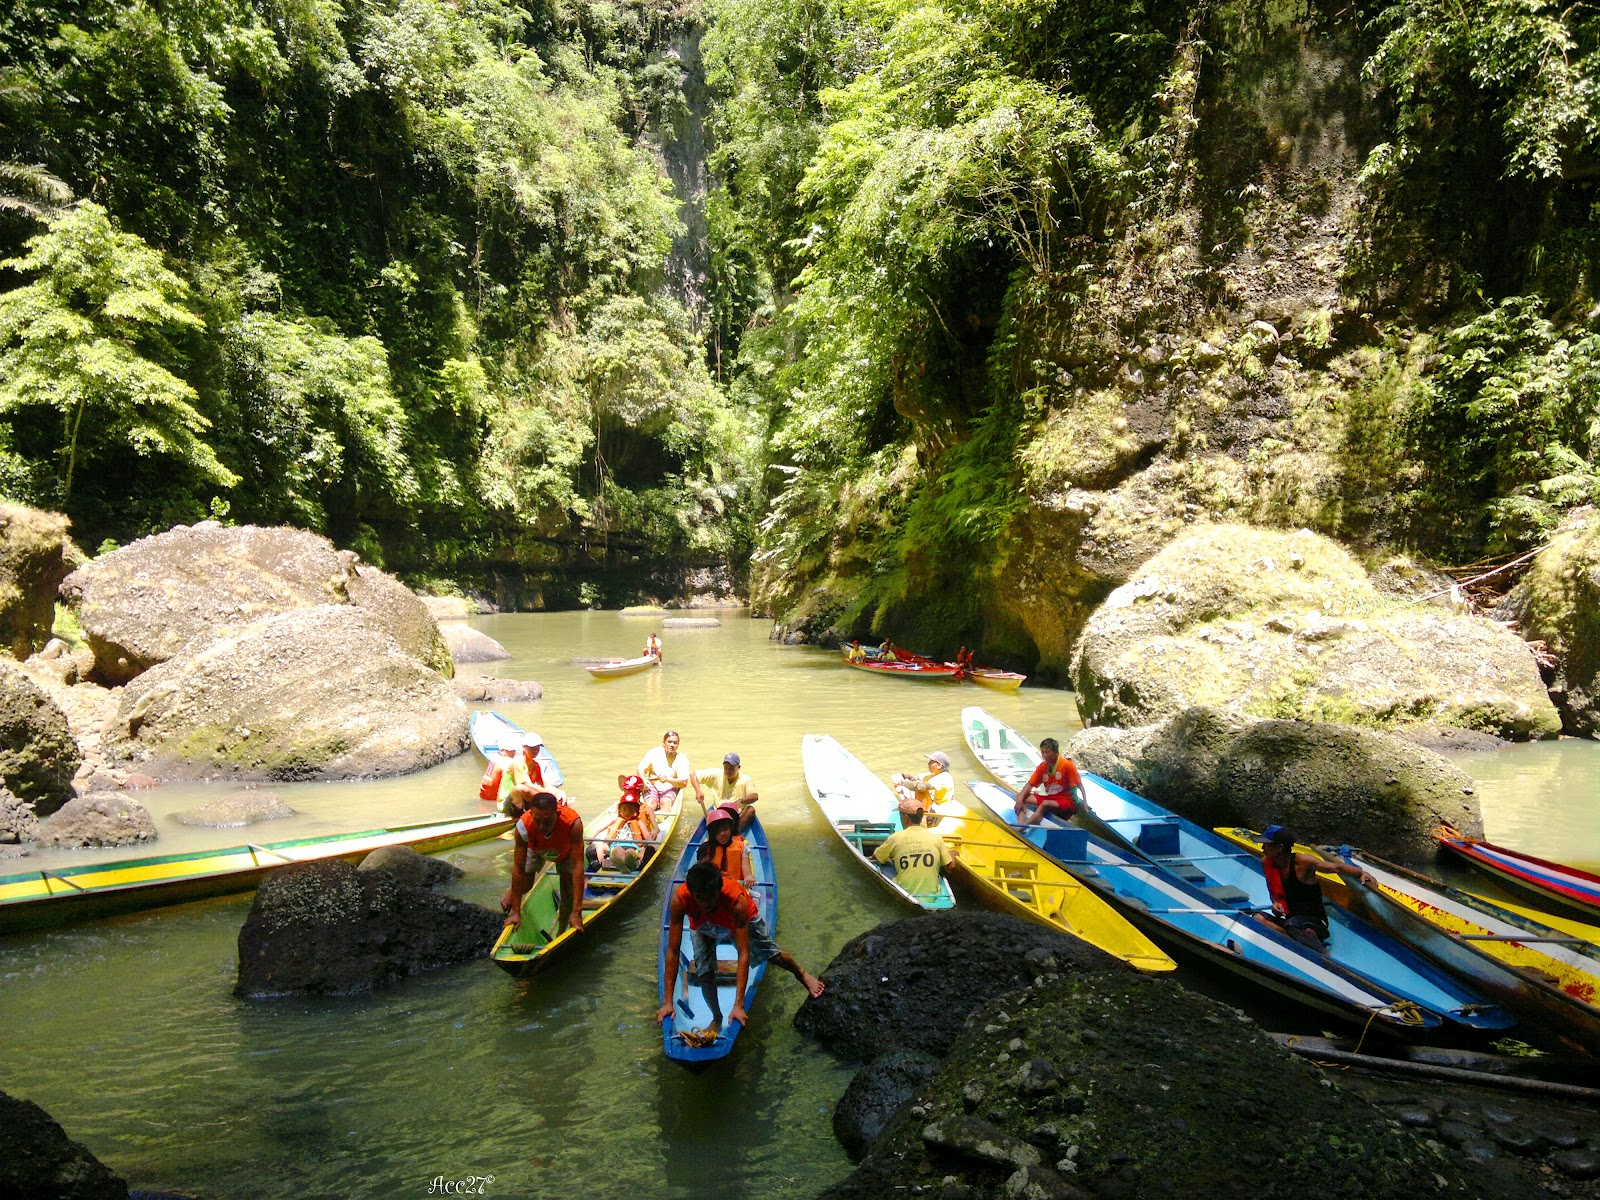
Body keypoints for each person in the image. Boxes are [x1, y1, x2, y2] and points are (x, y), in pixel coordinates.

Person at [656, 861, 824, 1036]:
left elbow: (743, 953)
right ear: (692, 893)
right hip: (702, 925)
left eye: (710, 897)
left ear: (718, 891)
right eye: (700, 898)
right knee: (704, 973)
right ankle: (717, 1017)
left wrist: (739, 1006)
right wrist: (668, 1002)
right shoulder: (680, 900)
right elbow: (673, 951)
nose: (705, 903)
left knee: (773, 956)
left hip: (738, 920)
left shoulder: (736, 901)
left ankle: (802, 975)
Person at [1257, 825, 1374, 953]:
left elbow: (1336, 868)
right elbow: (1272, 889)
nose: (1263, 848)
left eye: (1266, 845)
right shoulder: (1265, 862)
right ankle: (1299, 942)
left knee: (1294, 925)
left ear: (1279, 848)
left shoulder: (1303, 862)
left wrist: (1360, 873)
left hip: (1315, 922)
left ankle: (1322, 954)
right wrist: (1275, 903)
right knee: (1259, 918)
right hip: (1290, 920)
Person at [502, 787, 585, 940]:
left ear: (557, 814)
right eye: (537, 821)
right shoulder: (523, 827)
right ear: (531, 814)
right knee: (525, 884)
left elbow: (578, 866)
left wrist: (577, 911)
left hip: (564, 849)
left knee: (568, 890)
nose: (541, 827)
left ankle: (561, 930)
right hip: (536, 847)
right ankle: (511, 892)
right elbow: (518, 868)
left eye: (547, 821)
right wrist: (515, 912)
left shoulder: (573, 823)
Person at [872, 796, 953, 899]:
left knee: (883, 864)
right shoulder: (936, 838)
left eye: (900, 815)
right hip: (932, 894)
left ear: (905, 817)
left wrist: (889, 859)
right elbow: (949, 866)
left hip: (905, 891)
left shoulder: (895, 838)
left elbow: (876, 857)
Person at [588, 775, 658, 871]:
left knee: (633, 852)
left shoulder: (640, 817)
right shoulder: (617, 817)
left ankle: (634, 864)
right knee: (616, 850)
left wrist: (652, 840)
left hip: (634, 845)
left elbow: (648, 835)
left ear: (635, 811)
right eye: (624, 809)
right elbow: (601, 828)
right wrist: (592, 836)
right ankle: (600, 867)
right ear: (620, 809)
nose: (627, 812)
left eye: (630, 809)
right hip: (617, 845)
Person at [1013, 738, 1084, 826]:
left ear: (1055, 752)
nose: (1044, 755)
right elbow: (1030, 784)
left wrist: (1083, 804)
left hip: (1067, 801)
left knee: (1045, 804)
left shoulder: (1067, 765)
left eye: (1048, 752)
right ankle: (1020, 824)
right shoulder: (1043, 767)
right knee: (1022, 797)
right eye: (1042, 752)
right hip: (1051, 798)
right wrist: (1020, 799)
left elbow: (1077, 786)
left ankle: (1023, 827)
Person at [694, 752, 759, 829]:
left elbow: (755, 796)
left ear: (738, 767)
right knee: (709, 813)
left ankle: (734, 833)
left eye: (731, 768)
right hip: (719, 814)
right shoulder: (717, 774)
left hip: (736, 815)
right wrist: (698, 791)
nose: (728, 771)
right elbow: (694, 775)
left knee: (750, 810)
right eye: (726, 767)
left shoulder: (746, 780)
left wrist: (740, 801)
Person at [696, 804, 754, 889]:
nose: (722, 833)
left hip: (735, 889)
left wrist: (749, 877)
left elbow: (747, 873)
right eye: (718, 831)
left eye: (725, 829)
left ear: (731, 829)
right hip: (713, 890)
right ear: (712, 833)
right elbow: (700, 872)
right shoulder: (705, 849)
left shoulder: (742, 847)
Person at [637, 730, 692, 812]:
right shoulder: (654, 753)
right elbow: (640, 769)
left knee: (665, 802)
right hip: (653, 786)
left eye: (675, 743)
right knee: (651, 803)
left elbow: (684, 783)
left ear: (678, 744)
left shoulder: (682, 759)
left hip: (670, 786)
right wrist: (644, 780)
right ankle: (647, 818)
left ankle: (663, 820)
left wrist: (668, 780)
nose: (672, 745)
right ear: (664, 742)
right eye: (669, 742)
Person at [496, 734, 547, 813]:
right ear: (524, 747)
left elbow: (545, 785)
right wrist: (548, 795)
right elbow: (527, 785)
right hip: (508, 803)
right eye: (532, 747)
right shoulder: (517, 763)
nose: (535, 750)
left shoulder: (535, 765)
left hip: (524, 801)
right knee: (520, 788)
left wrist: (558, 792)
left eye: (537, 747)